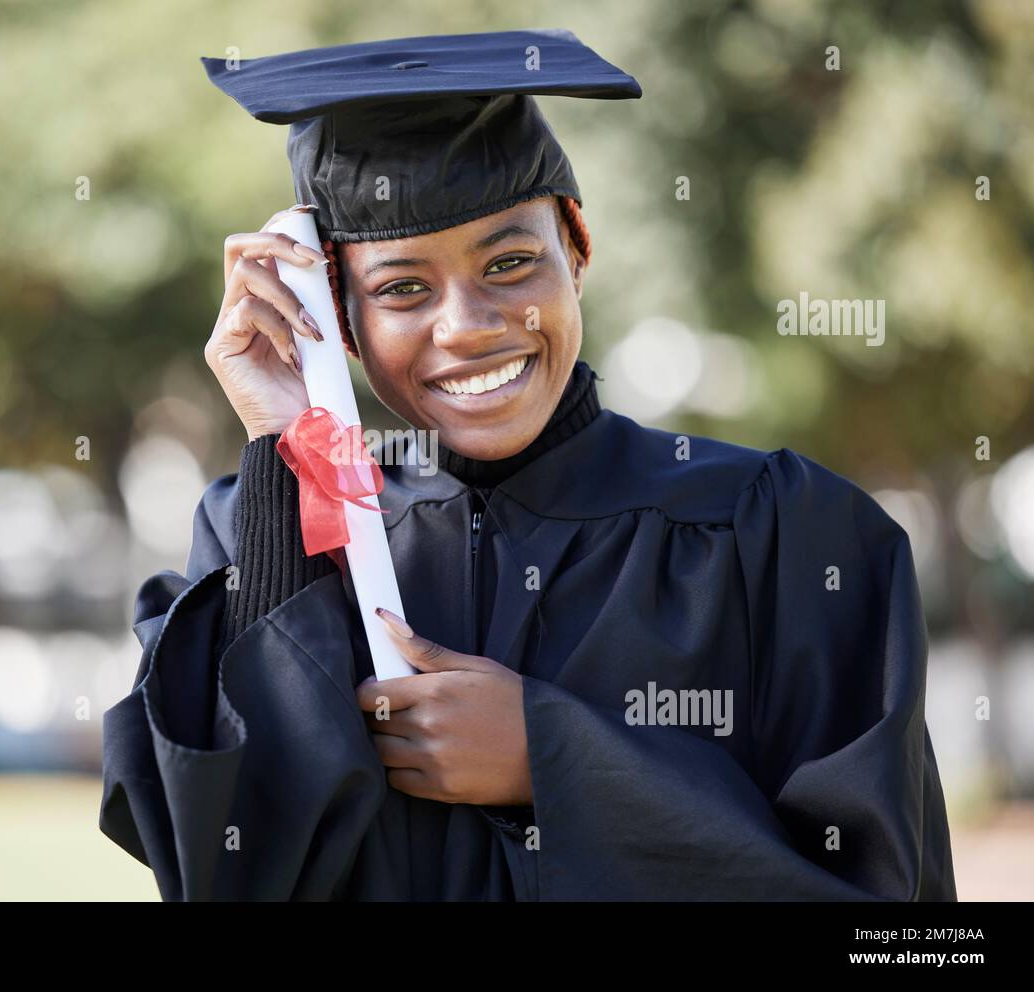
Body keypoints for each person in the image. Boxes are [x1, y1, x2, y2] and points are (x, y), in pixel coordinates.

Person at [99, 29, 957, 901]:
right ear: (338, 318)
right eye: (402, 288)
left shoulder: (782, 533)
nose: (467, 325)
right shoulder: (265, 532)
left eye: (510, 263)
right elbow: (232, 875)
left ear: (577, 250)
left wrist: (555, 760)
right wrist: (288, 451)